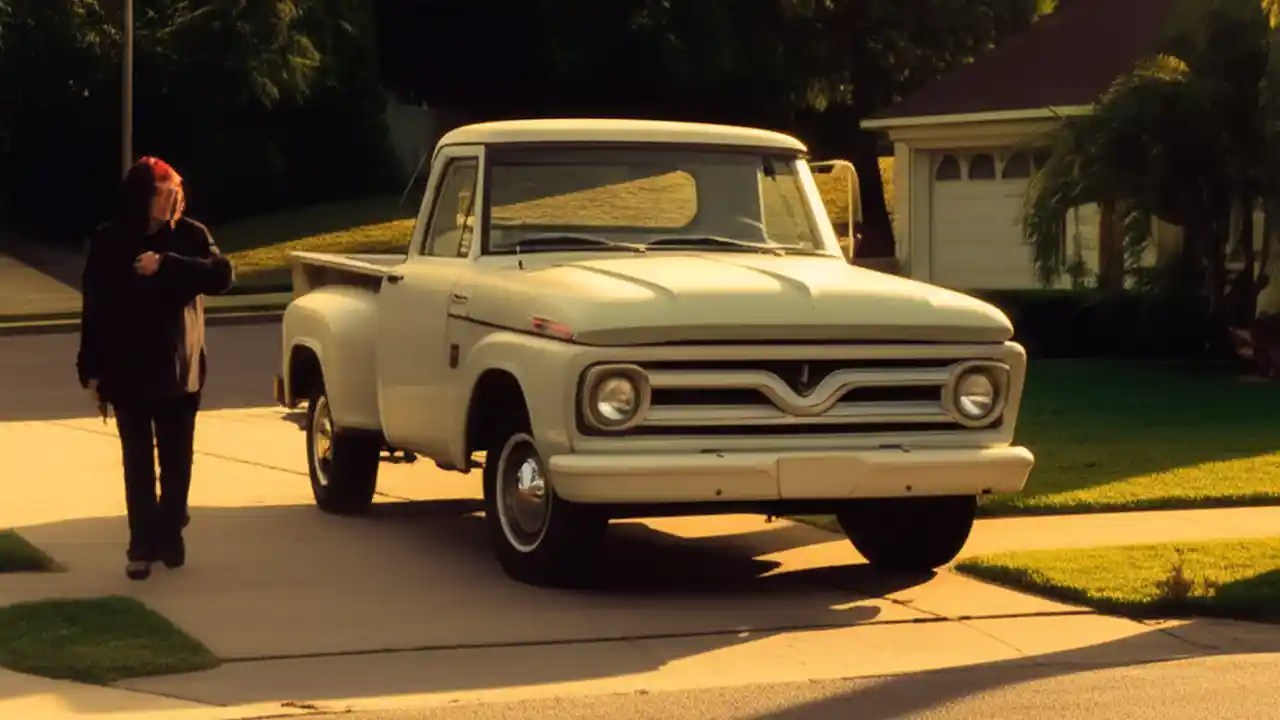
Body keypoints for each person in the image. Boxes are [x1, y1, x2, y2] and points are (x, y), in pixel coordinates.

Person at [76, 157, 235, 580]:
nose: (173, 199)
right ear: (143, 196)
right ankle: (141, 546)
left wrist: (166, 264)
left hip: (179, 370)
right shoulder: (108, 240)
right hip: (126, 368)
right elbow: (94, 307)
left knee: (177, 460)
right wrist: (90, 368)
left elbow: (222, 276)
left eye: (175, 192)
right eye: (165, 192)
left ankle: (171, 525)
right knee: (137, 461)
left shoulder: (190, 235)